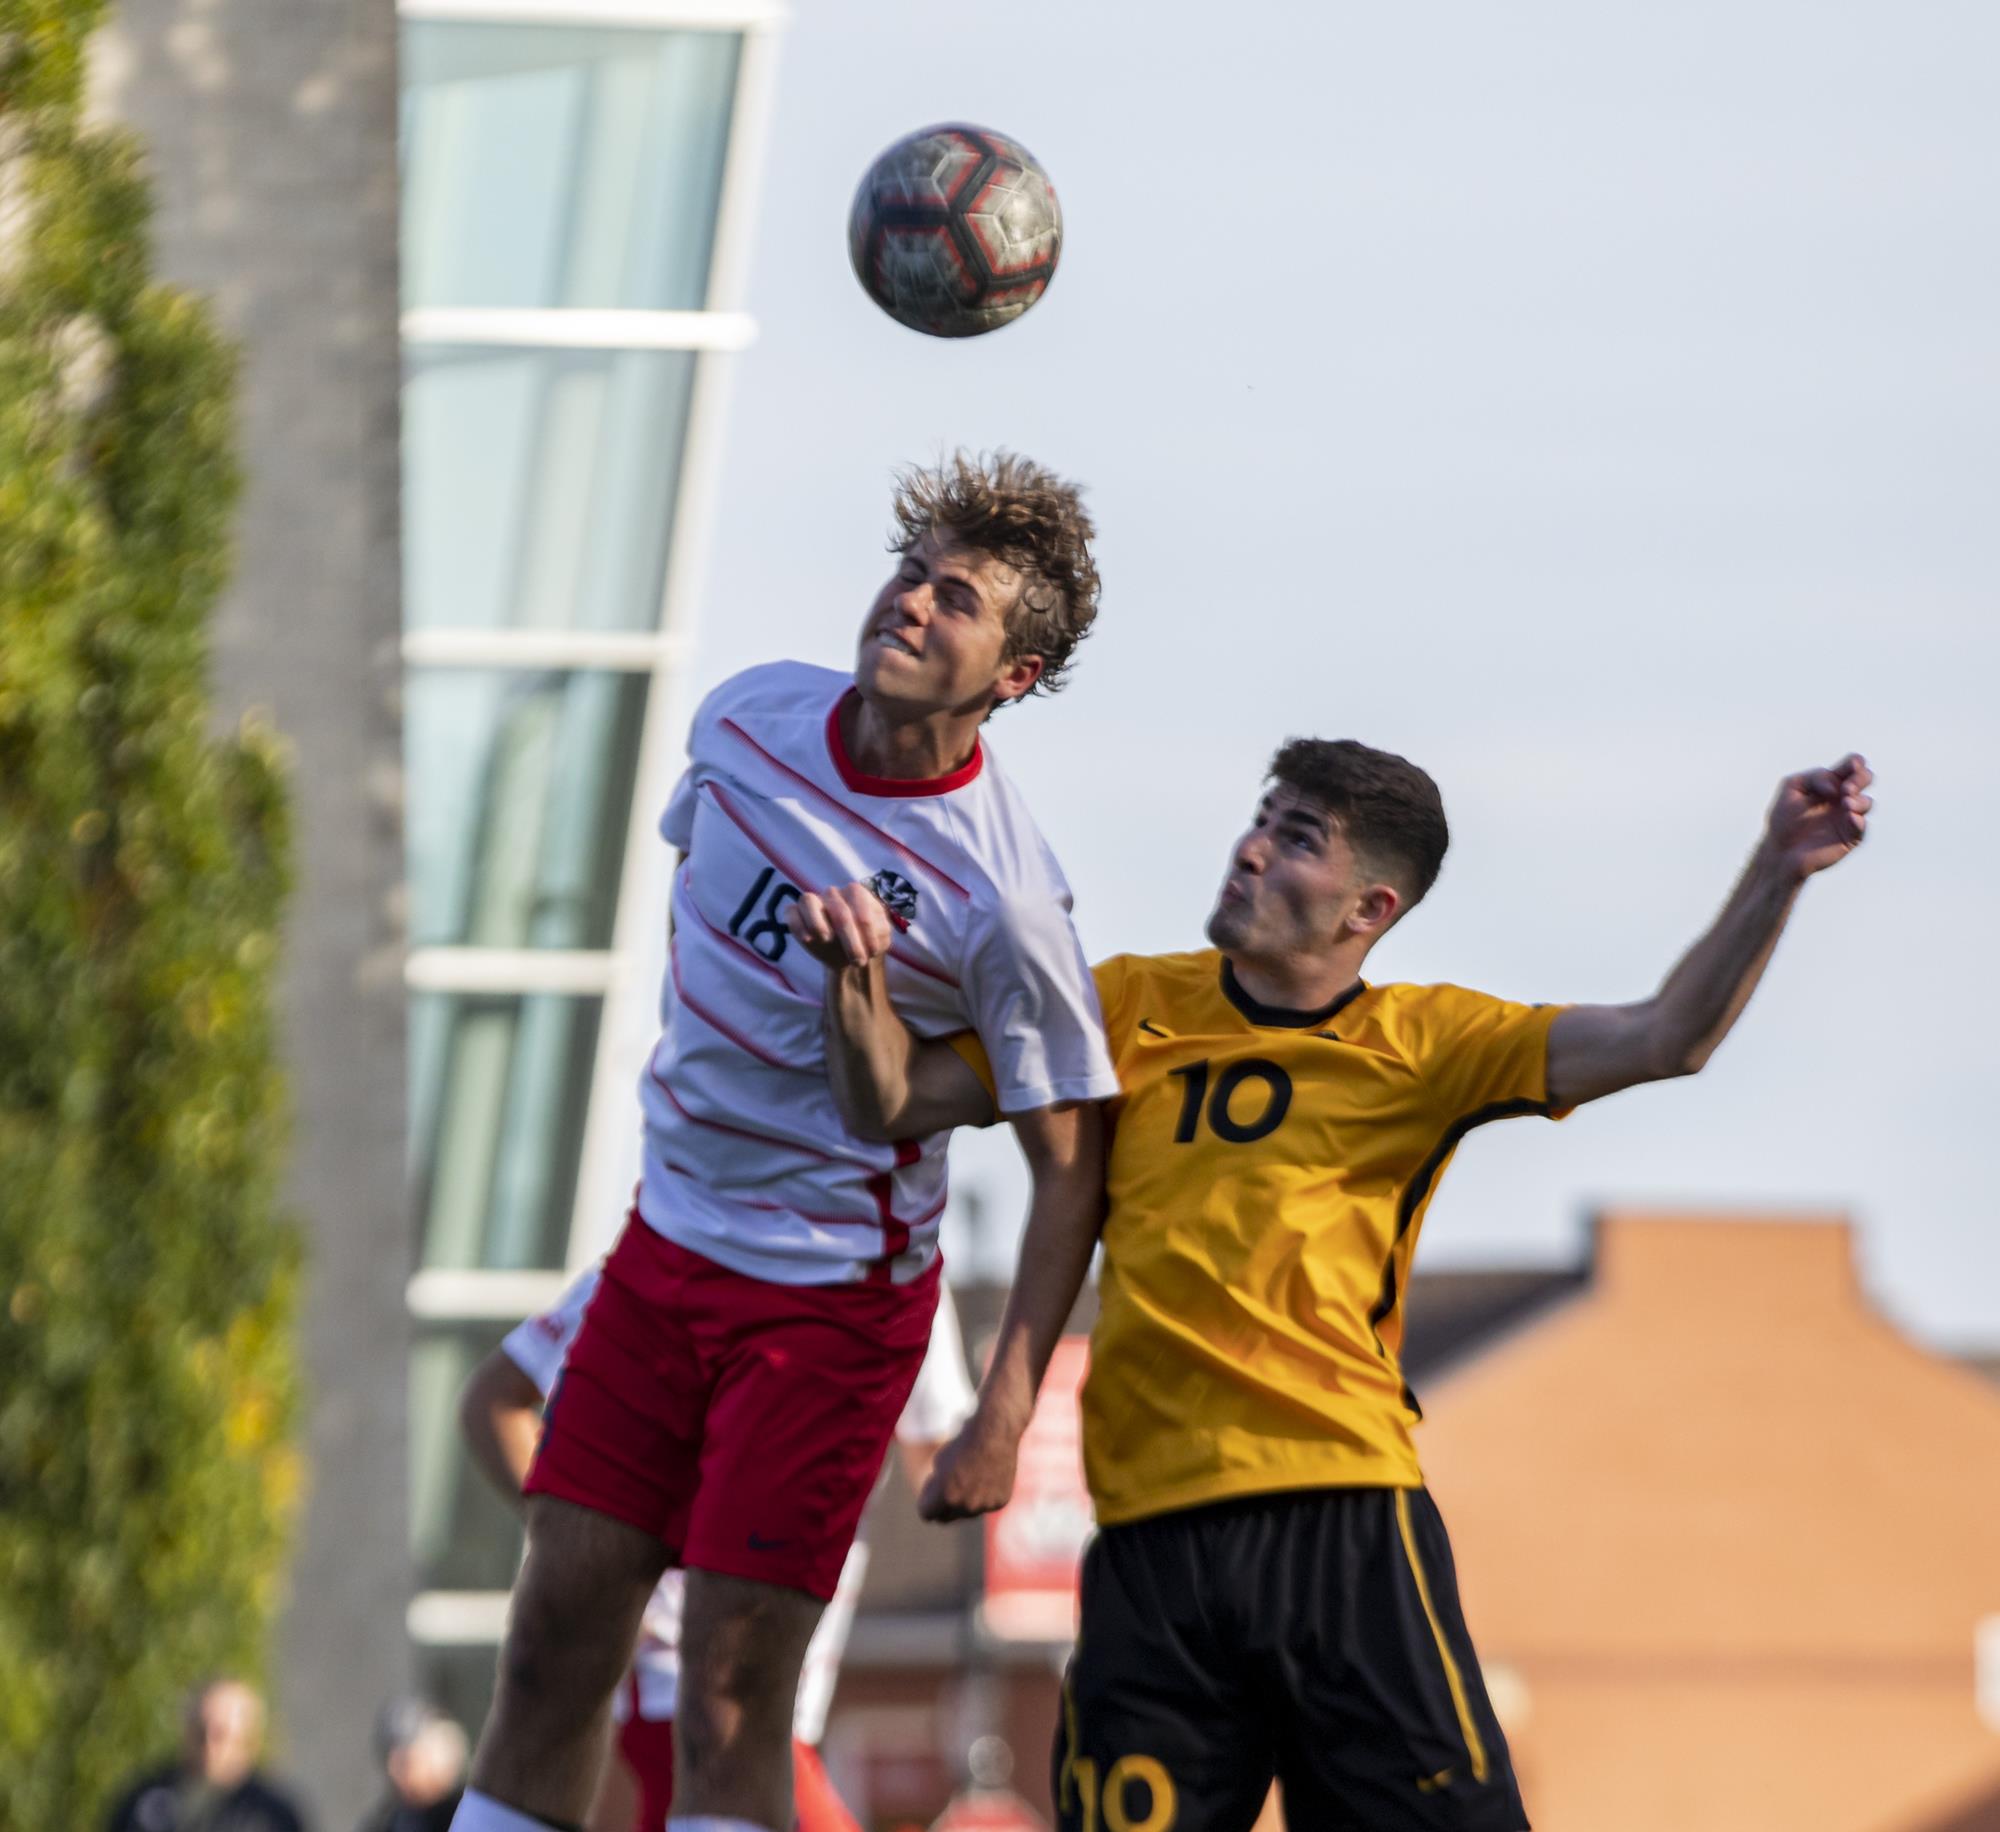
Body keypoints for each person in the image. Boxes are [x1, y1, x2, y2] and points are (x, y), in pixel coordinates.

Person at [790, 740, 1873, 1831]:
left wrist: (1774, 868)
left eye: (1296, 838)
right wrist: (852, 972)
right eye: (1261, 818)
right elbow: (891, 1098)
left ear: (1368, 907)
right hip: (1148, 1541)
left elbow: (1663, 1035)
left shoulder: (1427, 1041)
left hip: (1341, 1518)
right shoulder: (1122, 1003)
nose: (1250, 848)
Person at [448, 452, 1121, 1832]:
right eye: (910, 571)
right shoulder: (745, 720)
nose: (913, 606)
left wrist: (1000, 1414)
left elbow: (1070, 1166)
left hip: (828, 1308)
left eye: (960, 600)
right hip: (662, 1248)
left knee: (733, 1705)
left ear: (1019, 674)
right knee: (549, 1651)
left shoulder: (1008, 896)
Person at [457, 1262, 978, 1831]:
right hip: (680, 1689)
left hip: (780, 1695)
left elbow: (944, 1470)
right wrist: (600, 1546)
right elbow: (494, 1402)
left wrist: (1013, 1402)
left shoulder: (904, 1268)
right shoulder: (672, 1240)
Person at [107, 1678, 311, 1832]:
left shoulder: (270, 1815)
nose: (209, 1745)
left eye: (221, 1734)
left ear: (249, 1740)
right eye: (200, 1731)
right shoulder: (145, 1799)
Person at [358, 1699, 467, 1832]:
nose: (393, 1771)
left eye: (404, 1761)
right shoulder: (386, 1821)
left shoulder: (467, 1814)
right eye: (388, 1760)